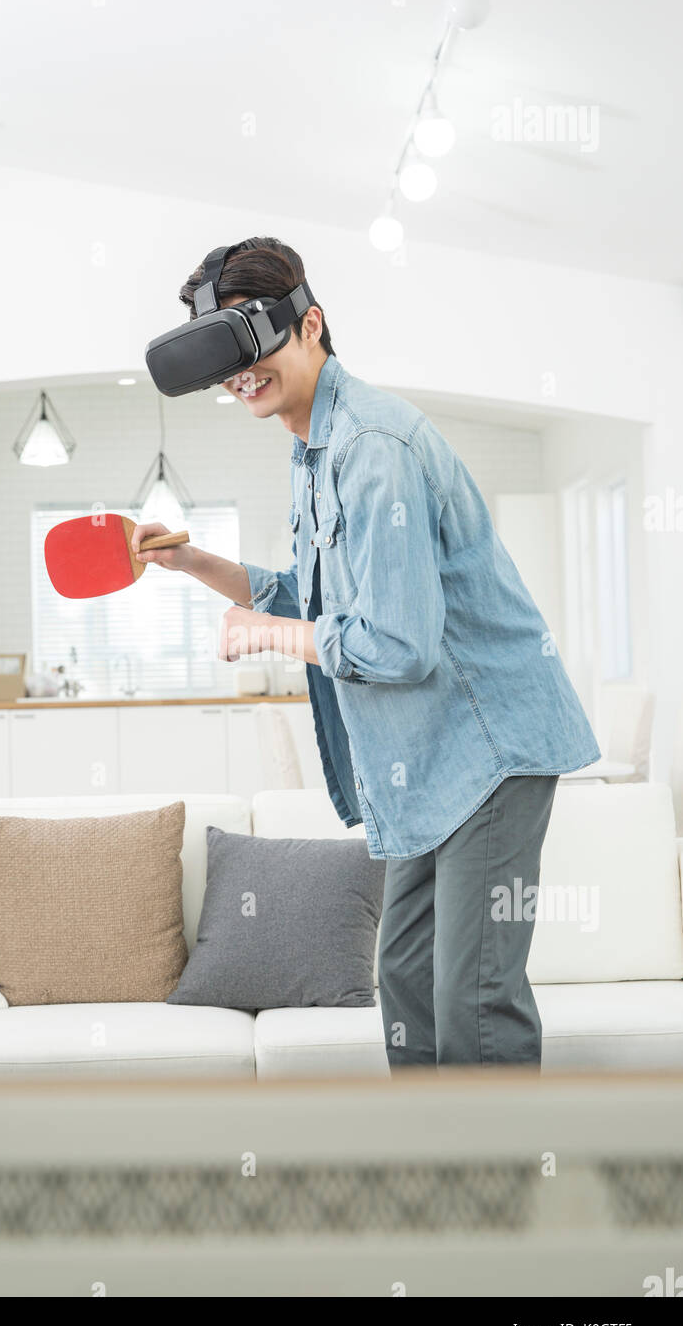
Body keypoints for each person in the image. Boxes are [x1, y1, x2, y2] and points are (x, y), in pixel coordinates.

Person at [132, 235, 600, 1068]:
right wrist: (196, 563)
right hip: (422, 765)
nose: (237, 376)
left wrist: (274, 638)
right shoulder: (312, 452)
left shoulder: (373, 448)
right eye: (222, 363)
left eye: (249, 344)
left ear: (309, 325)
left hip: (488, 749)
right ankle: (427, 1172)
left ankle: (493, 1193)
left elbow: (399, 643)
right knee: (407, 978)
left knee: (474, 995)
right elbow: (321, 603)